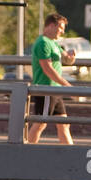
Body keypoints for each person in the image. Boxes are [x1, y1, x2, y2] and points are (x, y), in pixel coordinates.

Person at [27, 13, 75, 145]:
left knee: (63, 124)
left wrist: (71, 57)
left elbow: (66, 58)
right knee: (40, 124)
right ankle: (26, 151)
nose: (62, 31)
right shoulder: (43, 43)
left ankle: (71, 154)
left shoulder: (53, 43)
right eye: (61, 28)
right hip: (46, 89)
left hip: (55, 89)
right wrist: (67, 85)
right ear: (51, 26)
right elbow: (47, 69)